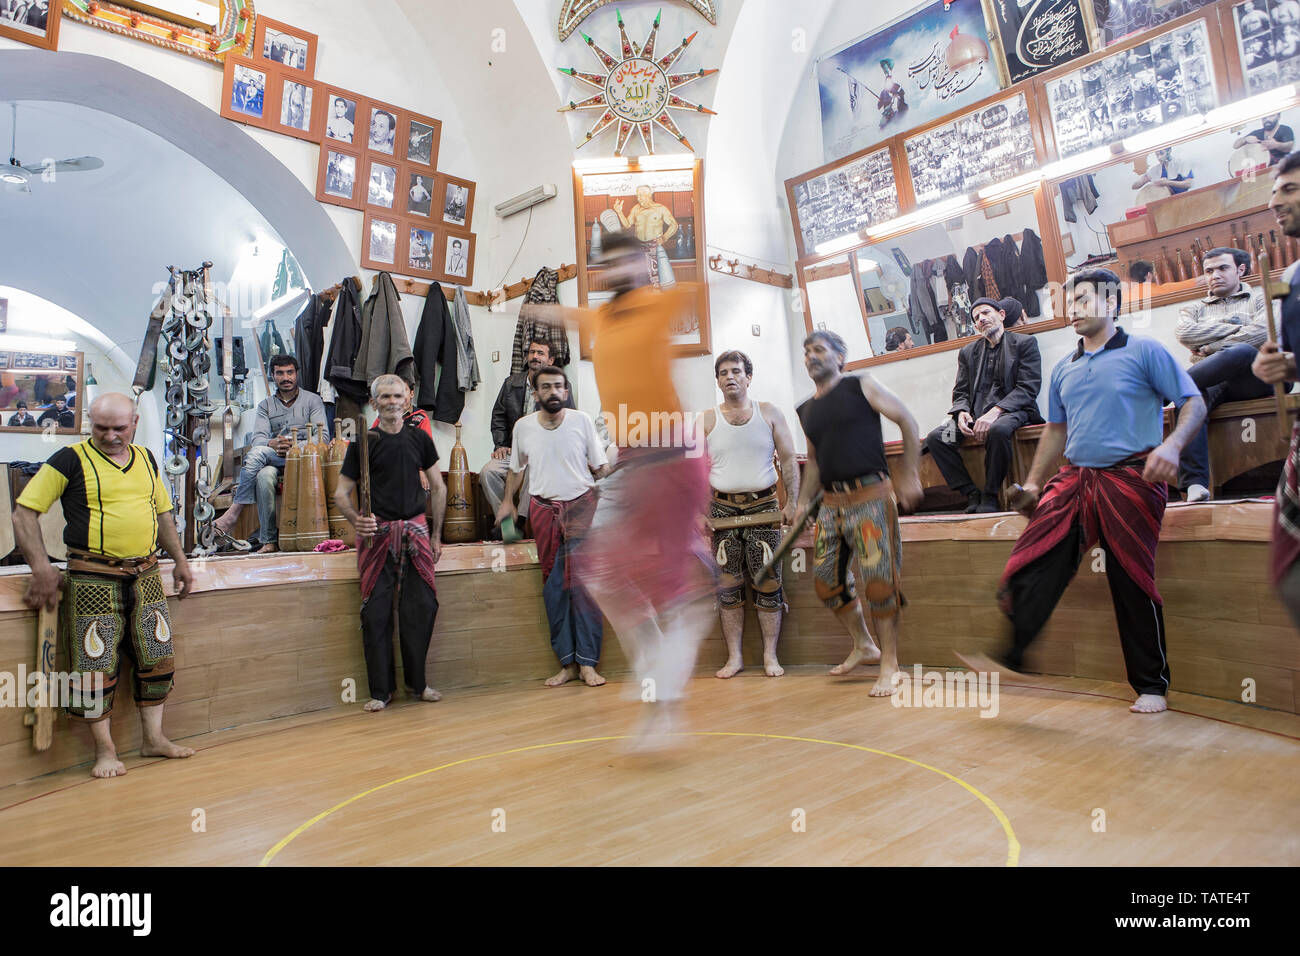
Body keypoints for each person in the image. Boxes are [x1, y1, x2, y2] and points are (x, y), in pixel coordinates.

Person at [957, 269, 1206, 714]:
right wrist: (1034, 482)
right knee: (1036, 560)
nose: (1072, 309)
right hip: (1075, 480)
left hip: (1132, 480)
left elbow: (1194, 401)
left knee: (1130, 580)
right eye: (1069, 302)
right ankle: (1013, 654)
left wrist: (1172, 445)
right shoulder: (1064, 367)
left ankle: (1152, 686)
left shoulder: (1144, 350)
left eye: (1084, 300)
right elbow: (1055, 429)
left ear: (1111, 304)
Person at [555, 230, 716, 745]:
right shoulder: (601, 317)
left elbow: (698, 290)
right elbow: (565, 317)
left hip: (673, 457)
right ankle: (654, 675)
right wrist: (517, 306)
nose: (620, 269)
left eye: (631, 259)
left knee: (667, 588)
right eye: (611, 262)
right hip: (629, 463)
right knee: (599, 573)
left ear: (644, 264)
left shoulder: (658, 302)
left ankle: (668, 681)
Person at [11, 393, 195, 778]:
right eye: (100, 428)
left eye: (119, 428)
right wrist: (42, 568)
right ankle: (105, 751)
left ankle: (154, 739)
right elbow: (24, 513)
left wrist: (179, 560)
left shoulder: (146, 458)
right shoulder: (68, 460)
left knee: (158, 659)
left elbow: (161, 513)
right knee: (94, 668)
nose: (110, 436)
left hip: (145, 575)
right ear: (88, 425)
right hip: (92, 576)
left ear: (134, 423)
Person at [793, 330, 923, 697]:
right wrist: (804, 500)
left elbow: (908, 422)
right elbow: (815, 463)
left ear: (840, 357)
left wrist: (909, 474)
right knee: (826, 582)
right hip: (831, 505)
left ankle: (891, 664)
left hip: (871, 497)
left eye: (819, 349)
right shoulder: (805, 410)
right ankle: (864, 644)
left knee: (880, 582)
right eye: (806, 351)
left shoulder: (861, 385)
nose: (811, 356)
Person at [335, 375, 446, 712]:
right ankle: (380, 692)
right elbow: (341, 493)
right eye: (385, 396)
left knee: (421, 608)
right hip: (376, 537)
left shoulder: (420, 439)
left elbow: (439, 488)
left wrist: (436, 534)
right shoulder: (363, 442)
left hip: (416, 535)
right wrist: (358, 521)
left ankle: (418, 684)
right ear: (374, 403)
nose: (392, 401)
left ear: (407, 398)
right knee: (377, 614)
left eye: (398, 395)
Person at [496, 366, 609, 688]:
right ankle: (567, 664)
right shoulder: (523, 427)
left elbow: (600, 468)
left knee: (584, 587)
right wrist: (507, 502)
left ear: (566, 389)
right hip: (542, 509)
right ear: (535, 393)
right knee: (554, 588)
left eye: (559, 386)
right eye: (546, 387)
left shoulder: (582, 421)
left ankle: (588, 664)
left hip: (582, 507)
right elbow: (516, 470)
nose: (554, 392)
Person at [701, 350, 800, 678]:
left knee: (768, 582)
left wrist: (792, 504)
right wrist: (698, 513)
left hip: (765, 506)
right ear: (717, 381)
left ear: (748, 377)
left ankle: (770, 656)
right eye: (723, 373)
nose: (730, 377)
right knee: (728, 586)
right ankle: (735, 658)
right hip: (722, 509)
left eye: (736, 371)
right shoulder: (705, 419)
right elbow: (691, 471)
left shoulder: (770, 413)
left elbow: (788, 460)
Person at [923, 298, 1044, 513]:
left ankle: (990, 495)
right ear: (975, 325)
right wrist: (960, 412)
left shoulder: (1024, 343)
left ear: (1002, 315)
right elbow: (960, 390)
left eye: (986, 312)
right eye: (977, 317)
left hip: (1013, 411)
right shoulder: (968, 352)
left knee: (998, 430)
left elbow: (1028, 388)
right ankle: (971, 492)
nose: (982, 319)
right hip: (974, 414)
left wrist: (995, 412)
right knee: (938, 437)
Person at [1175, 247, 1271, 502]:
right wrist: (1236, 326)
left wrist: (1211, 346)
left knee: (1241, 350)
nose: (1214, 275)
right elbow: (1185, 334)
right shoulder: (1193, 309)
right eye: (1209, 271)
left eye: (1222, 268)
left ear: (1240, 269)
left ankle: (1166, 388)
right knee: (1190, 397)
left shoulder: (1261, 299)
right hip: (1213, 380)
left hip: (1256, 376)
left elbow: (1262, 333)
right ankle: (1195, 484)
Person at [213, 354, 327, 552]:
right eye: (280, 373)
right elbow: (258, 440)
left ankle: (234, 512)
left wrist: (296, 446)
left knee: (258, 458)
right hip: (275, 457)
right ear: (273, 375)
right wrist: (273, 443)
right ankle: (269, 541)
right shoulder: (265, 406)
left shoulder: (313, 400)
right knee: (264, 474)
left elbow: (323, 437)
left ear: (297, 374)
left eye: (290, 372)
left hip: (304, 458)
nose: (286, 377)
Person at [1254, 151, 1300, 628]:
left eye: (1289, 189)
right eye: (1273, 190)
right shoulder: (1293, 277)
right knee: (1290, 574)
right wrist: (1279, 365)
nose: (1275, 201)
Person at [479, 337, 574, 532]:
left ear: (551, 360)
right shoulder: (511, 383)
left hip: (545, 454)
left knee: (535, 469)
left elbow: (568, 423)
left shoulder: (559, 386)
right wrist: (500, 445)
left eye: (540, 353)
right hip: (514, 450)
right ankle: (506, 524)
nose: (535, 357)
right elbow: (498, 416)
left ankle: (520, 523)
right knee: (487, 473)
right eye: (532, 352)